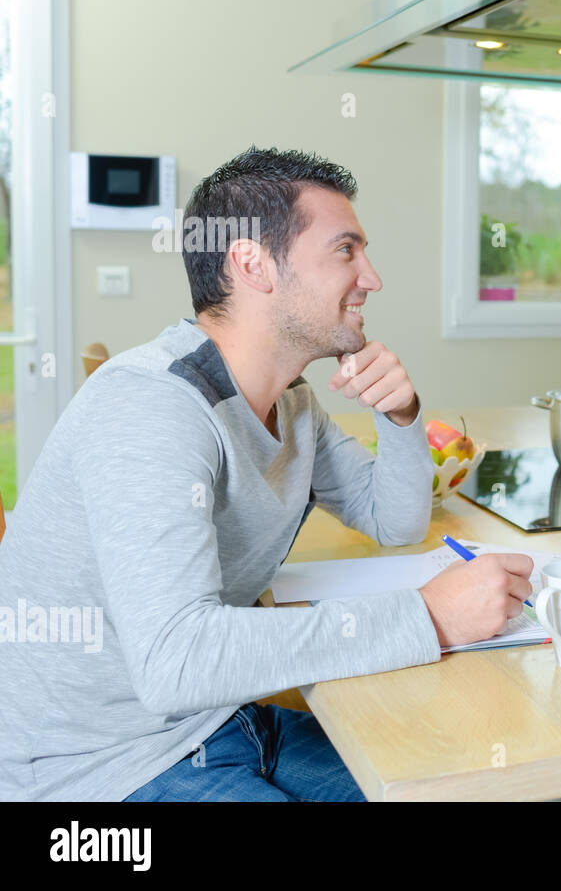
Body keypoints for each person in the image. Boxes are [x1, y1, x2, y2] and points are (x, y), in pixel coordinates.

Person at [0, 147, 534, 801]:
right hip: (100, 769)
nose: (372, 276)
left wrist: (401, 417)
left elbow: (393, 520)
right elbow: (177, 660)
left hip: (222, 720)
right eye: (346, 250)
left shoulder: (291, 403)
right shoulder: (150, 404)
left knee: (464, 787)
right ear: (252, 264)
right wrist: (429, 615)